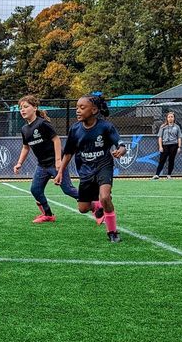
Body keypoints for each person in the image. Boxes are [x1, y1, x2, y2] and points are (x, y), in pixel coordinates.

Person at [55, 94, 126, 244]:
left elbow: (120, 143)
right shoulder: (75, 129)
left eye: (82, 107)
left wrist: (121, 149)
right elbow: (68, 153)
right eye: (76, 108)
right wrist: (60, 172)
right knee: (82, 208)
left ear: (93, 110)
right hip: (85, 170)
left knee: (105, 196)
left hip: (103, 166)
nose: (78, 111)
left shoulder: (105, 127)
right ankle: (97, 206)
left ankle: (112, 232)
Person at [12, 94, 79, 223]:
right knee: (35, 190)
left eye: (26, 107)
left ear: (35, 108)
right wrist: (19, 163)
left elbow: (56, 139)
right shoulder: (24, 129)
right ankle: (48, 215)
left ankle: (96, 205)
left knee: (67, 189)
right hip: (42, 165)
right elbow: (26, 147)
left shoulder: (42, 123)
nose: (23, 110)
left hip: (55, 163)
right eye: (21, 108)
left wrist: (58, 161)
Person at [152, 111, 182, 180]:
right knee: (162, 160)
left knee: (171, 160)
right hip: (165, 145)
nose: (170, 118)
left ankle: (169, 175)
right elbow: (160, 137)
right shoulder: (163, 127)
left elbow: (179, 137)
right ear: (167, 118)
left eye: (172, 117)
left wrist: (179, 147)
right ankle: (157, 174)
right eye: (169, 117)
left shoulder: (177, 127)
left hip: (174, 145)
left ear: (174, 118)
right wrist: (160, 146)